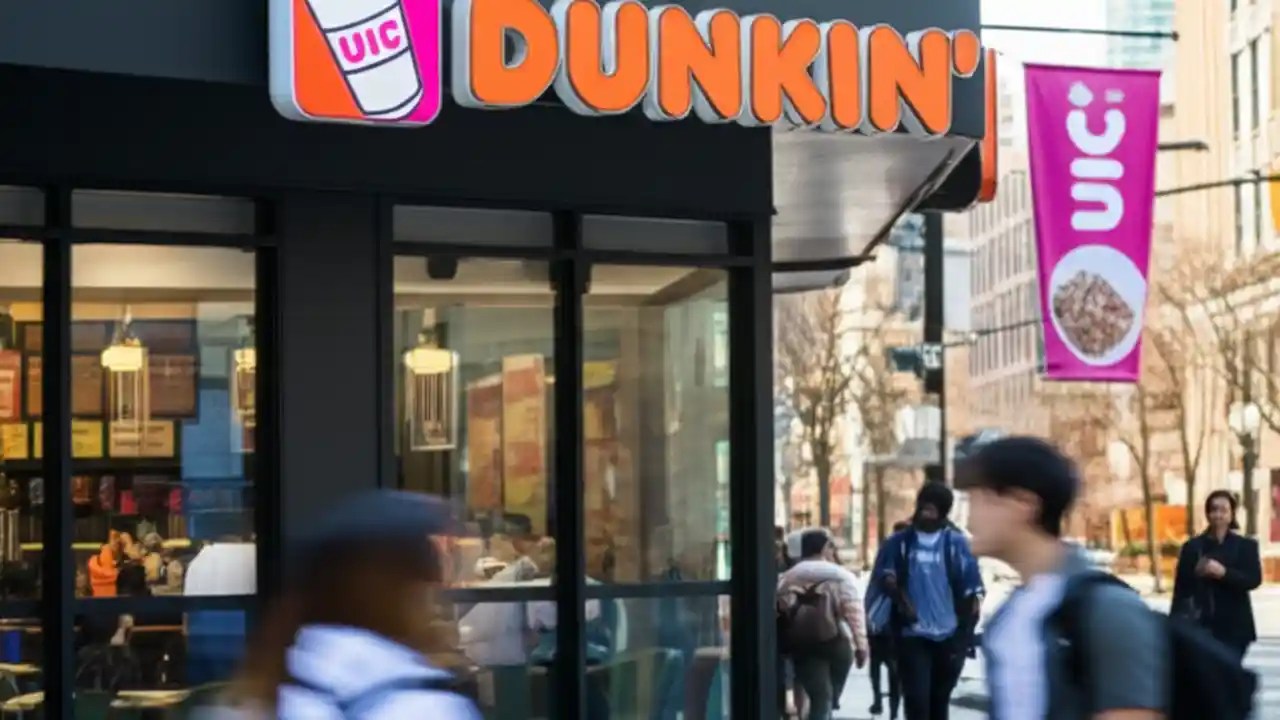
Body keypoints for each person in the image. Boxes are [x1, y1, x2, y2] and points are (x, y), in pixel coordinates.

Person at [206, 491, 480, 719]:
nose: (434, 608)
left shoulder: (260, 697)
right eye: (427, 592)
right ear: (402, 596)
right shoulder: (421, 707)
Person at [964, 436, 1167, 720]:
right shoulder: (1009, 615)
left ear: (1023, 503)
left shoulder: (1106, 610)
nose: (970, 521)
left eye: (979, 500)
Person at [874, 484, 982, 720]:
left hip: (949, 634)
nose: (926, 514)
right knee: (916, 700)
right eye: (923, 508)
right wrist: (901, 600)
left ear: (943, 512)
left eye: (932, 510)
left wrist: (964, 635)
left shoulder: (957, 544)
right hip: (911, 634)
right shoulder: (899, 543)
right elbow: (884, 576)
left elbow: (973, 592)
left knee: (939, 702)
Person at [778, 529, 869, 720]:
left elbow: (779, 610)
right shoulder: (841, 576)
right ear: (825, 548)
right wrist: (861, 646)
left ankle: (824, 706)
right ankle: (829, 703)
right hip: (833, 642)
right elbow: (854, 614)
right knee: (827, 696)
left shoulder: (787, 578)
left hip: (801, 644)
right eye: (831, 547)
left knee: (819, 696)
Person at [1171, 489, 1262, 661]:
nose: (1218, 515)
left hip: (1235, 628)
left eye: (1223, 510)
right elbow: (1181, 589)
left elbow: (1254, 579)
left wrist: (1223, 573)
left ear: (1232, 514)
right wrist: (1175, 624)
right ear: (1207, 513)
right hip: (1200, 624)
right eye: (1213, 509)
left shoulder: (1246, 546)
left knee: (1228, 673)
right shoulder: (1192, 547)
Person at [866, 520, 910, 719]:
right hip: (893, 616)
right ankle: (893, 711)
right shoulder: (900, 550)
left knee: (877, 661)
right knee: (894, 667)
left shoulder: (885, 549)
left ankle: (878, 700)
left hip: (877, 615)